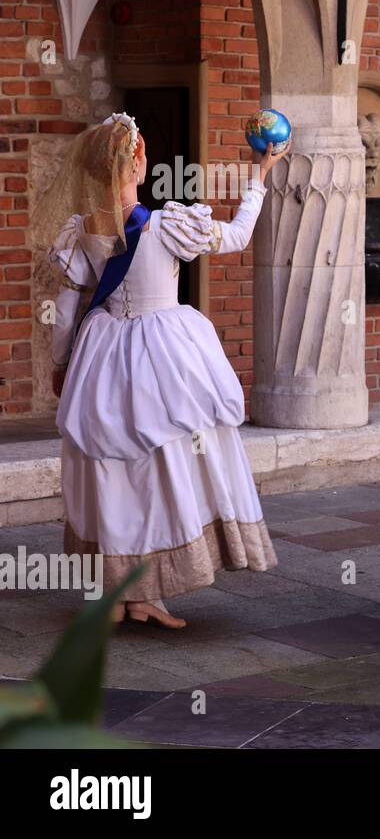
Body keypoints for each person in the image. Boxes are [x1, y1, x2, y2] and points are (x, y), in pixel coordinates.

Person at [40, 111, 289, 628]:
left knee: (111, 473)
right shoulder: (169, 225)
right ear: (137, 162)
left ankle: (117, 594)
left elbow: (64, 312)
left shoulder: (82, 232)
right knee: (160, 470)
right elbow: (239, 236)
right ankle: (143, 592)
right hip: (164, 356)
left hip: (102, 355)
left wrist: (62, 365)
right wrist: (258, 177)